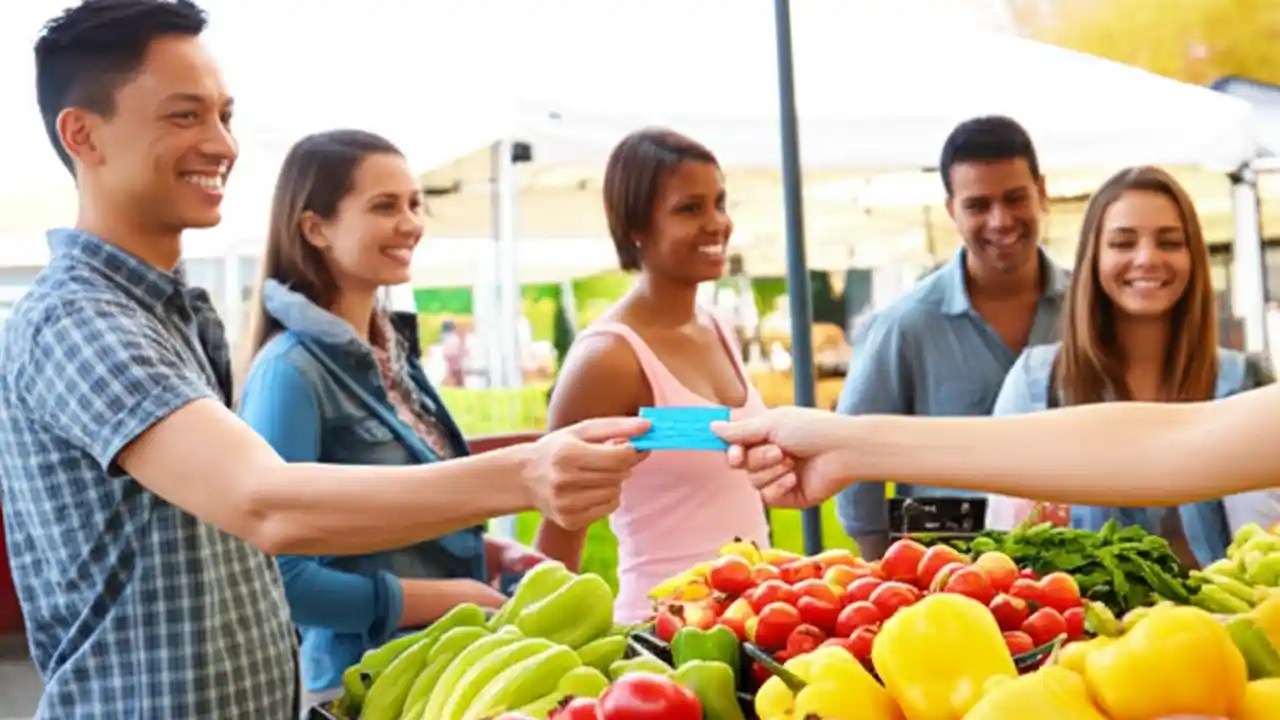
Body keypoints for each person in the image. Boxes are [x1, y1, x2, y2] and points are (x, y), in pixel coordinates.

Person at [0, 2, 645, 716]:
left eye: (225, 115)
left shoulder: (173, 316)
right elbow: (265, 504)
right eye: (185, 116)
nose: (222, 143)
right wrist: (525, 472)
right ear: (82, 134)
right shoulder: (80, 319)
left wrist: (488, 548)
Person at [235, 129, 551, 710]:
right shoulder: (289, 373)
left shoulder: (394, 357)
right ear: (315, 227)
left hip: (449, 672)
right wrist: (445, 596)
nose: (411, 223)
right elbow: (278, 580)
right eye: (385, 206)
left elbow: (397, 522)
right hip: (367, 687)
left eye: (413, 203)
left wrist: (494, 557)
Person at [534, 128, 771, 623]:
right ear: (635, 225)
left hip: (753, 622)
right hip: (661, 636)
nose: (717, 224)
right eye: (690, 209)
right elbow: (558, 530)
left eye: (720, 203)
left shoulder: (718, 328)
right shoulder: (609, 358)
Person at [983, 166, 1275, 566]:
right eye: (1122, 243)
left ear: (1194, 258)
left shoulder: (1244, 383)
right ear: (1093, 258)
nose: (1146, 259)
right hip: (1079, 625)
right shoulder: (1038, 383)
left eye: (1170, 242)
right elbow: (1013, 553)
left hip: (1219, 626)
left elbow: (1266, 549)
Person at [834, 115, 1069, 558]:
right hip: (947, 569)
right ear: (951, 210)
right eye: (978, 205)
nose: (1000, 221)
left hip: (1077, 564)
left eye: (1015, 198)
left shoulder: (1090, 311)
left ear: (1042, 192)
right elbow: (852, 457)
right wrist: (887, 571)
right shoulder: (906, 326)